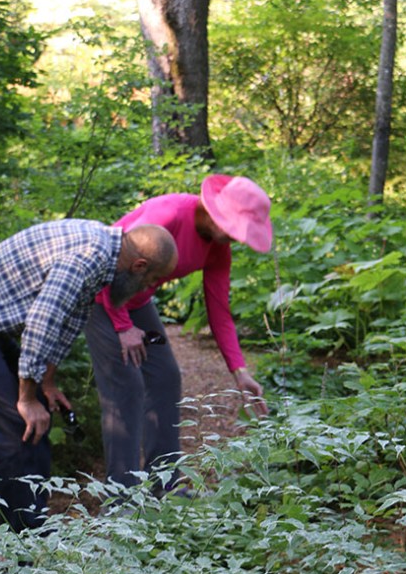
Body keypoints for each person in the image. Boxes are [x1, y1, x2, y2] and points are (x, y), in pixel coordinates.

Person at [0, 219, 177, 532]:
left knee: (37, 417)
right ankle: (24, 542)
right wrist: (26, 397)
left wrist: (46, 384)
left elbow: (68, 322)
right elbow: (43, 320)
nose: (146, 289)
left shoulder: (106, 255)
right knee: (19, 422)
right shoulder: (90, 257)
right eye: (150, 280)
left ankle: (34, 526)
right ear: (139, 265)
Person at [84, 174, 273, 492]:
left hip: (137, 302)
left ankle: (164, 485)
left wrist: (239, 371)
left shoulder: (217, 248)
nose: (238, 239)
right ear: (217, 212)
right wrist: (122, 326)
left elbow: (219, 311)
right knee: (126, 386)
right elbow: (111, 265)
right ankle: (121, 499)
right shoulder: (168, 215)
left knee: (165, 376)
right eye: (236, 228)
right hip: (101, 297)